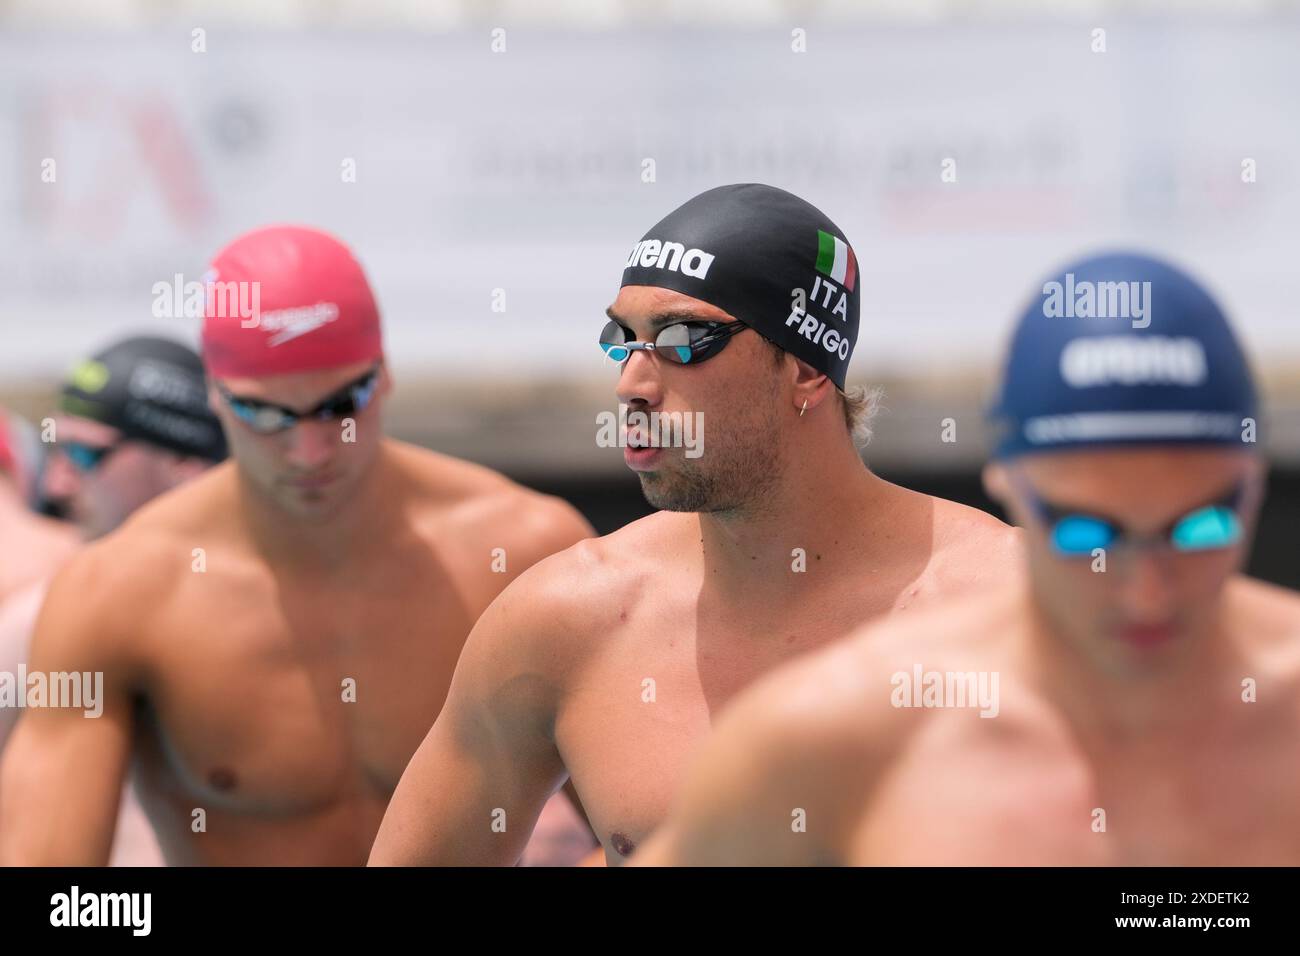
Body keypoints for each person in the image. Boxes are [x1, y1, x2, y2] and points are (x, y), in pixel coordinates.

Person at [370, 183, 1021, 866]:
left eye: (683, 340)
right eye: (622, 339)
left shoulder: (1003, 603)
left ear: (805, 369)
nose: (631, 383)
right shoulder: (569, 619)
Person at [634, 251, 1300, 866]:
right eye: (1085, 536)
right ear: (1008, 486)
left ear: (1257, 481)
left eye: (1200, 529)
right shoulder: (842, 734)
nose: (1146, 592)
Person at [0, 225, 593, 865]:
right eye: (265, 414)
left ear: (385, 374)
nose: (310, 452)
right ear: (215, 399)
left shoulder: (527, 550)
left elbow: (665, 835)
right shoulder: (117, 591)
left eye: (342, 404)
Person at [1, 336, 229, 866]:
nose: (56, 484)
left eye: (83, 454)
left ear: (183, 462)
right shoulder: (36, 621)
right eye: (53, 451)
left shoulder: (287, 617)